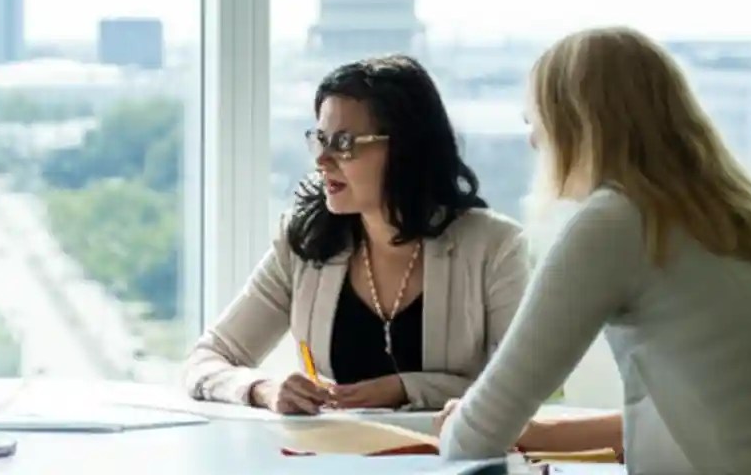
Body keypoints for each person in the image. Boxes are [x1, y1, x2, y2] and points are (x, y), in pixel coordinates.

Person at [436, 27, 751, 473]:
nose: (534, 141)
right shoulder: (737, 217)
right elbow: (707, 404)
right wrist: (542, 434)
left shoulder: (617, 221)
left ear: (575, 124)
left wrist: (455, 426)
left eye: (535, 122)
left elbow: (478, 434)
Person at [184, 55, 529, 413]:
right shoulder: (304, 240)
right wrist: (262, 390)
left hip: (450, 462)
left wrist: (406, 389)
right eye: (320, 140)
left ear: (405, 150)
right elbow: (206, 359)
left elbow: (522, 386)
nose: (323, 160)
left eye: (344, 143)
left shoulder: (495, 247)